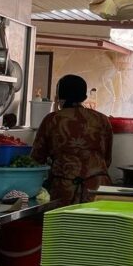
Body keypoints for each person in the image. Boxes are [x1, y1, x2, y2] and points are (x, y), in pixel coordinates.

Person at [30, 74, 113, 205]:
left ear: (58, 98)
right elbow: (107, 159)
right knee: (98, 225)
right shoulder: (102, 120)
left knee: (66, 225)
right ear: (84, 97)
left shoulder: (52, 119)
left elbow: (36, 158)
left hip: (64, 190)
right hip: (98, 189)